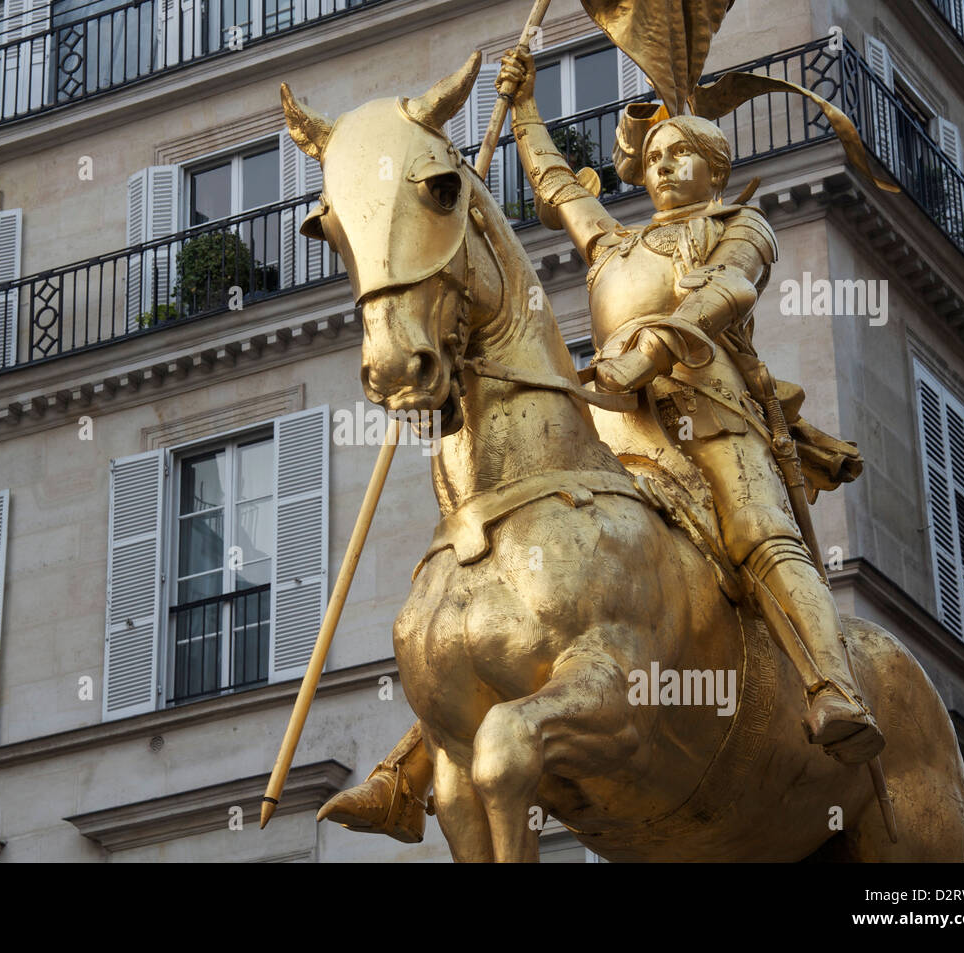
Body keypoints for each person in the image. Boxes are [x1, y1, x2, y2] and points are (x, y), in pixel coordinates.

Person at [319, 47, 883, 844]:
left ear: (715, 167)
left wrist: (651, 346)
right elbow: (552, 184)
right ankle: (415, 765)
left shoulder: (736, 224)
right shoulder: (616, 246)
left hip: (710, 422)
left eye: (682, 152)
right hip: (613, 432)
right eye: (653, 156)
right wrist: (521, 107)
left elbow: (731, 290)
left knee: (761, 534)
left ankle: (835, 687)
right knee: (514, 586)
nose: (664, 165)